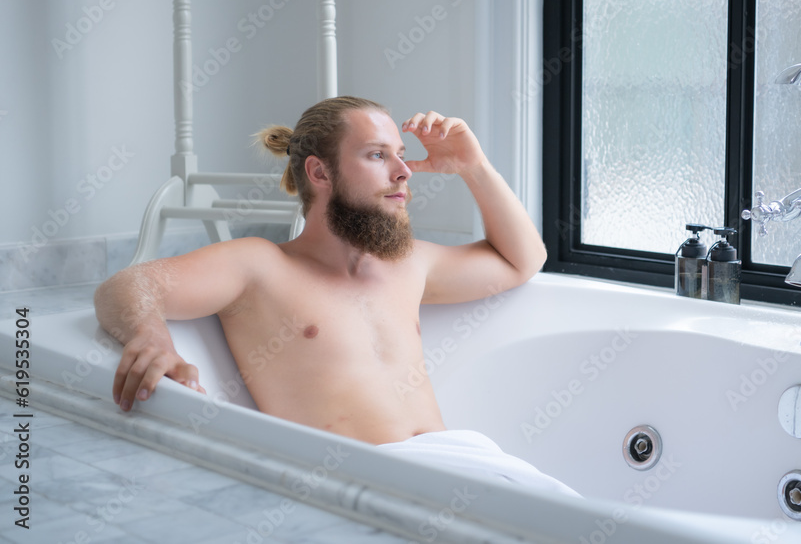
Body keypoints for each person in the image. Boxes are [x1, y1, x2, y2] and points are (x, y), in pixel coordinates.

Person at [95, 96, 578, 495]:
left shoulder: (408, 265)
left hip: (462, 463)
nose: (403, 171)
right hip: (366, 488)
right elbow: (129, 285)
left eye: (401, 154)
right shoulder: (262, 265)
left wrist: (474, 166)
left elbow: (524, 260)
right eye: (376, 155)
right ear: (320, 174)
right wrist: (152, 336)